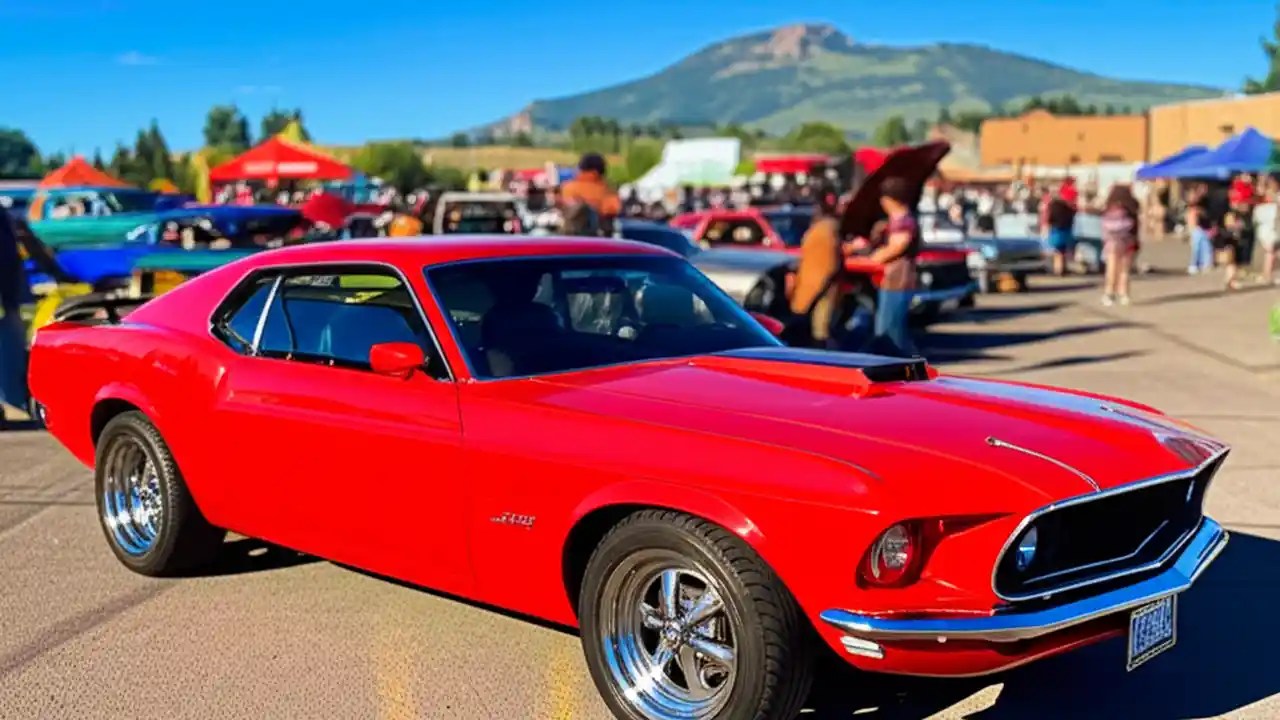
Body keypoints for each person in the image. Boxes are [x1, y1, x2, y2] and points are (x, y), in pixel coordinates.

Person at [864, 176, 921, 357]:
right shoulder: (895, 221)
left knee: (890, 331)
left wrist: (875, 257)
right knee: (888, 329)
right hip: (891, 281)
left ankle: (901, 364)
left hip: (898, 282)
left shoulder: (904, 221)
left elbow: (897, 246)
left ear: (890, 199)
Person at [786, 191, 843, 348]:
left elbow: (827, 264)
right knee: (819, 330)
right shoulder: (825, 228)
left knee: (820, 332)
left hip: (818, 287)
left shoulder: (825, 228)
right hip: (817, 286)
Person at [0, 203, 33, 429]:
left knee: (10, 353)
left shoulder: (4, 216)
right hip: (7, 297)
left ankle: (13, 402)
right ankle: (13, 403)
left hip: (7, 296)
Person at [560, 153, 621, 236]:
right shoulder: (608, 191)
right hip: (599, 240)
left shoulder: (567, 187)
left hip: (569, 237)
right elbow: (613, 210)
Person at [1100, 184, 1140, 306]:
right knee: (1125, 270)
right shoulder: (1132, 206)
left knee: (1111, 268)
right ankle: (1124, 294)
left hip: (1112, 242)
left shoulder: (1108, 206)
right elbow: (1137, 225)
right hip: (1129, 241)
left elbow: (1103, 226)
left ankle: (1109, 293)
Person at [1045, 185, 1077, 276]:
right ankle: (1062, 268)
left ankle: (1058, 269)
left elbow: (1050, 219)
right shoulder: (1067, 207)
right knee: (1063, 251)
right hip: (1066, 230)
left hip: (1056, 230)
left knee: (1057, 251)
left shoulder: (1052, 206)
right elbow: (1072, 217)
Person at [1186, 183, 1214, 274]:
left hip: (1204, 228)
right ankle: (1194, 265)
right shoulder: (1194, 201)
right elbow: (1191, 214)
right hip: (1196, 228)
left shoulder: (1206, 201)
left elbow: (1207, 214)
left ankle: (1205, 264)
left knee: (1206, 247)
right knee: (1196, 247)